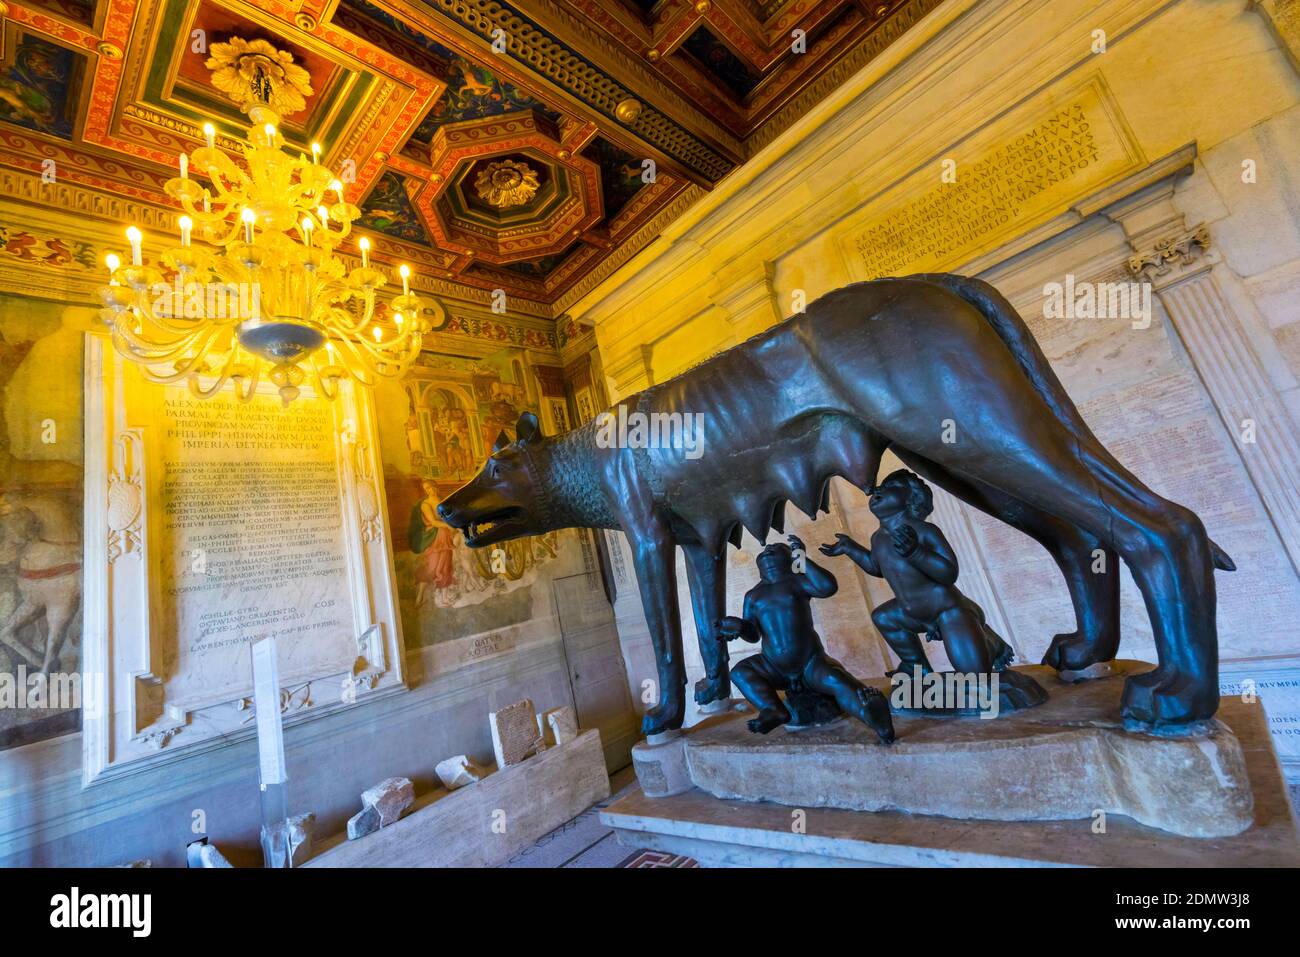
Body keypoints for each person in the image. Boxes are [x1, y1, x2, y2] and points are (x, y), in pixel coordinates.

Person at [820, 469, 1013, 677]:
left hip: (947, 609)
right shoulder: (878, 538)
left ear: (912, 497)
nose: (878, 490)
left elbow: (949, 573)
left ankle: (992, 643)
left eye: (890, 487)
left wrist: (917, 553)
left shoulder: (924, 530)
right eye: (880, 487)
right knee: (883, 617)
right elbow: (877, 567)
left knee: (975, 675)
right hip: (911, 612)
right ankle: (916, 666)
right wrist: (850, 548)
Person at [717, 535, 895, 742]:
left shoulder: (797, 582)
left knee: (838, 682)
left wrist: (801, 557)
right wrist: (738, 627)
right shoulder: (753, 596)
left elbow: (827, 587)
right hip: (774, 666)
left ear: (789, 560)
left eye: (775, 549)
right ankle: (773, 709)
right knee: (739, 672)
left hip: (811, 662)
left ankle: (876, 720)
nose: (768, 550)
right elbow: (753, 634)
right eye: (765, 551)